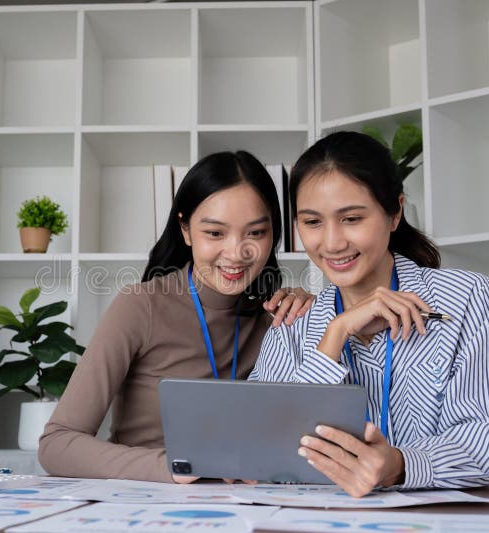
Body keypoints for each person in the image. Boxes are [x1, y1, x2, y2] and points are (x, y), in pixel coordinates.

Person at [250, 131, 489, 496]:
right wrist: (335, 335)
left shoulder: (466, 298)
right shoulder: (292, 322)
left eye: (351, 218)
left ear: (394, 212)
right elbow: (262, 449)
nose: (332, 242)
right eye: (313, 222)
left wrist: (400, 465)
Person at [38, 150, 313, 483]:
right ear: (185, 230)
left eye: (255, 233)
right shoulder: (141, 306)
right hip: (148, 505)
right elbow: (57, 444)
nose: (237, 252)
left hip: (247, 504)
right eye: (215, 233)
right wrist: (175, 466)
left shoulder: (275, 318)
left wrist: (316, 317)